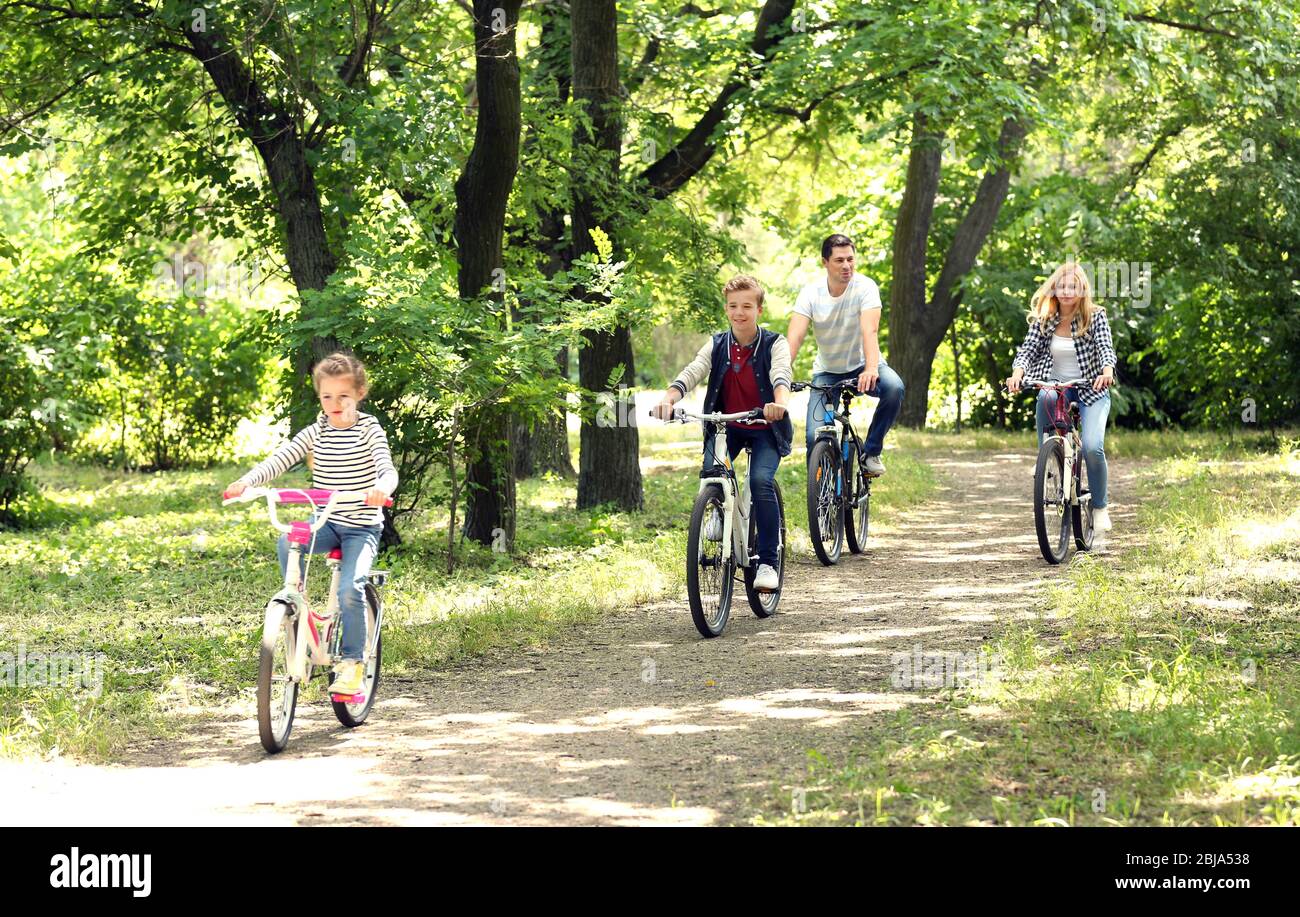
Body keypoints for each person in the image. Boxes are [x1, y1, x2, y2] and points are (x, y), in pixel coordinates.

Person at [224, 352, 397, 697]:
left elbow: (386, 467)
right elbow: (282, 458)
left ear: (359, 394)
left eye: (343, 396)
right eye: (327, 396)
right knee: (287, 540)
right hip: (326, 521)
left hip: (361, 526)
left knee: (350, 590)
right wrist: (246, 482)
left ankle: (351, 665)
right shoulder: (317, 430)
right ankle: (297, 610)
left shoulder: (369, 428)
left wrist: (382, 488)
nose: (335, 404)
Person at [653, 275, 793, 591]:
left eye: (746, 306)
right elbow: (694, 370)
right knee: (712, 472)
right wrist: (669, 398)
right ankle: (718, 508)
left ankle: (768, 562)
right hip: (726, 425)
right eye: (733, 306)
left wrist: (779, 403)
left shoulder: (774, 343)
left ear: (759, 308)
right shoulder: (717, 344)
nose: (739, 313)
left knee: (759, 482)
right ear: (726, 308)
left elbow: (781, 374)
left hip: (764, 427)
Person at [1006, 262, 1117, 537]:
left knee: (1092, 447)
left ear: (1082, 291)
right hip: (1057, 386)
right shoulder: (1045, 319)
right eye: (1063, 285)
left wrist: (1107, 372)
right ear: (1054, 288)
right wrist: (1017, 374)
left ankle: (1100, 508)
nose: (1067, 291)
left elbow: (1105, 348)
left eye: (1074, 286)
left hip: (1091, 388)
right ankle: (1047, 453)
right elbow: (1027, 351)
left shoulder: (1095, 317)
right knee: (1045, 395)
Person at [786, 233, 904, 475]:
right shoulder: (810, 293)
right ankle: (823, 495)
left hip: (865, 365)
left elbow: (869, 329)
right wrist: (781, 373)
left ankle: (870, 452)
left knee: (894, 388)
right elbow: (795, 336)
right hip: (828, 372)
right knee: (814, 436)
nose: (847, 265)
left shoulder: (865, 287)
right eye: (839, 260)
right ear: (825, 263)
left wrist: (871, 368)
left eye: (850, 259)